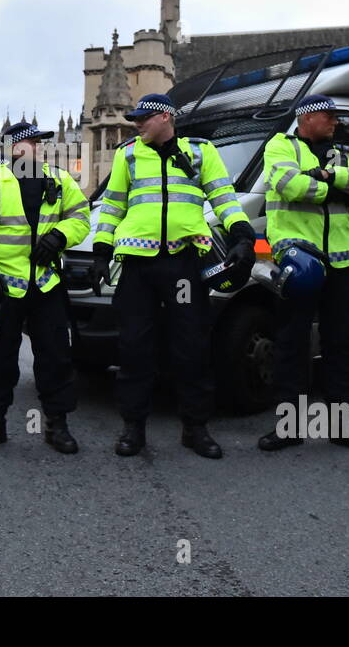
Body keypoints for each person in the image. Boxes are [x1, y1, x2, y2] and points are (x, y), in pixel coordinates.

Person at [90, 93, 257, 459]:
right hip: (138, 266)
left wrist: (243, 235)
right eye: (135, 120)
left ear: (166, 117)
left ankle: (195, 428)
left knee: (190, 346)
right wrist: (101, 249)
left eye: (143, 119)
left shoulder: (200, 152)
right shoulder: (128, 154)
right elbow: (113, 204)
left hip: (182, 265)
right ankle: (133, 428)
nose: (137, 125)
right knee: (134, 348)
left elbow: (223, 197)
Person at [256, 94, 349, 454]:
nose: (334, 122)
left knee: (341, 343)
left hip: (343, 260)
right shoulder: (280, 145)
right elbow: (289, 185)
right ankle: (288, 428)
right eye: (328, 116)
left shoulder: (345, 151)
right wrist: (339, 189)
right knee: (291, 343)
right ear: (306, 118)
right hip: (299, 258)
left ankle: (343, 428)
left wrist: (331, 174)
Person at [0, 122, 90, 453]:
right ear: (16, 147)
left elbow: (80, 217)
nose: (40, 147)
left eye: (41, 142)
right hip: (4, 286)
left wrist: (60, 235)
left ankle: (57, 425)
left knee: (57, 357)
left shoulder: (60, 179)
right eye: (34, 141)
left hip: (46, 284)